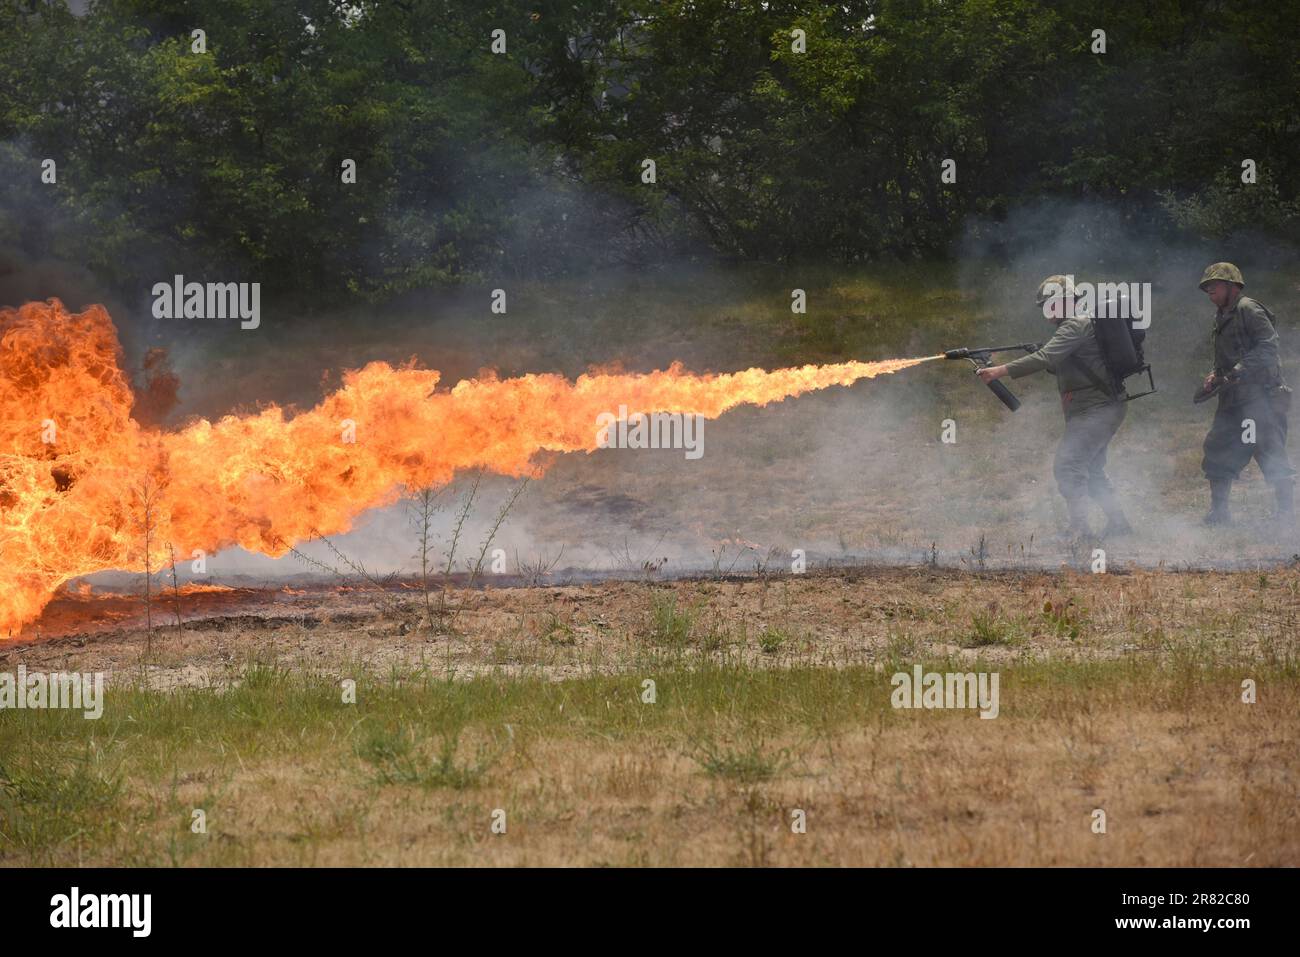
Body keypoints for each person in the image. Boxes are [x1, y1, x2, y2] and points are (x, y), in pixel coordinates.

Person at [978, 275, 1132, 540]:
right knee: (1091, 469)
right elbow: (1058, 363)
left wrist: (999, 371)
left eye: (1048, 304)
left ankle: (1079, 530)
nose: (1045, 311)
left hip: (1096, 408)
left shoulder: (1074, 326)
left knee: (1068, 466)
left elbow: (1046, 357)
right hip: (1101, 406)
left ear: (1063, 302)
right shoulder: (1078, 325)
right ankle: (1119, 525)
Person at [1196, 262, 1294, 525]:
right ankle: (1219, 514)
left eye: (1214, 287)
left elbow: (1268, 347)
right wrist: (1215, 375)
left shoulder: (1248, 309)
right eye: (1207, 289)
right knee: (1217, 449)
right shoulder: (1223, 314)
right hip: (1232, 399)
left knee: (1269, 451)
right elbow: (1231, 353)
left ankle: (1286, 516)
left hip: (1260, 398)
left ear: (1232, 286)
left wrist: (1238, 369)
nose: (1210, 293)